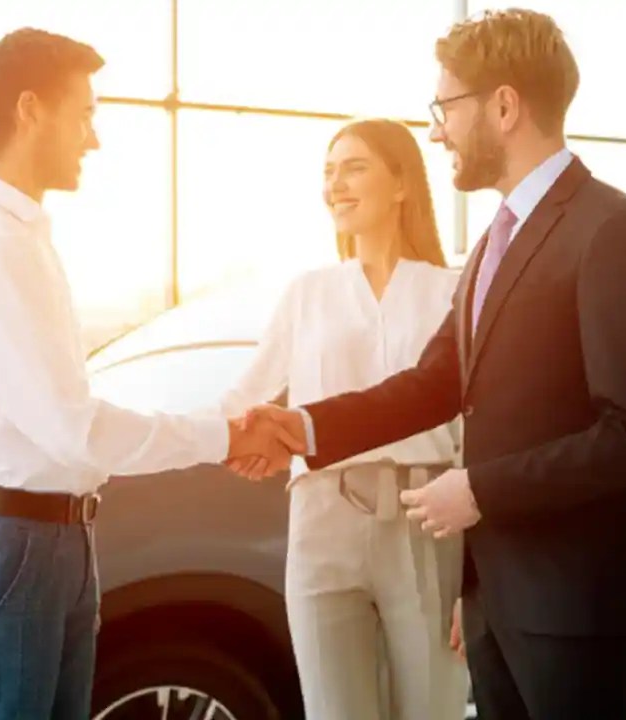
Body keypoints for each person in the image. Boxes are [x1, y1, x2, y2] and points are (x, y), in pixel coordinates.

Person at [237, 9, 626, 719]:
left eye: (446, 106)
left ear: (504, 106)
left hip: (574, 603)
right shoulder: (491, 245)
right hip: (492, 600)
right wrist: (302, 427)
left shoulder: (616, 231)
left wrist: (480, 488)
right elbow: (434, 385)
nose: (437, 129)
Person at [0, 28, 295, 720]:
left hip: (55, 538)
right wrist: (225, 435)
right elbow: (73, 428)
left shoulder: (20, 239)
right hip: (16, 544)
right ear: (31, 110)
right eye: (85, 114)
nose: (93, 139)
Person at [221, 118, 469, 720]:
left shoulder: (454, 290)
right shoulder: (307, 292)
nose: (336, 184)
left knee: (433, 711)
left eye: (354, 167)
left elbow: (484, 426)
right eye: (328, 172)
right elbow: (243, 402)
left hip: (429, 517)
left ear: (402, 183)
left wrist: (476, 579)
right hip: (322, 519)